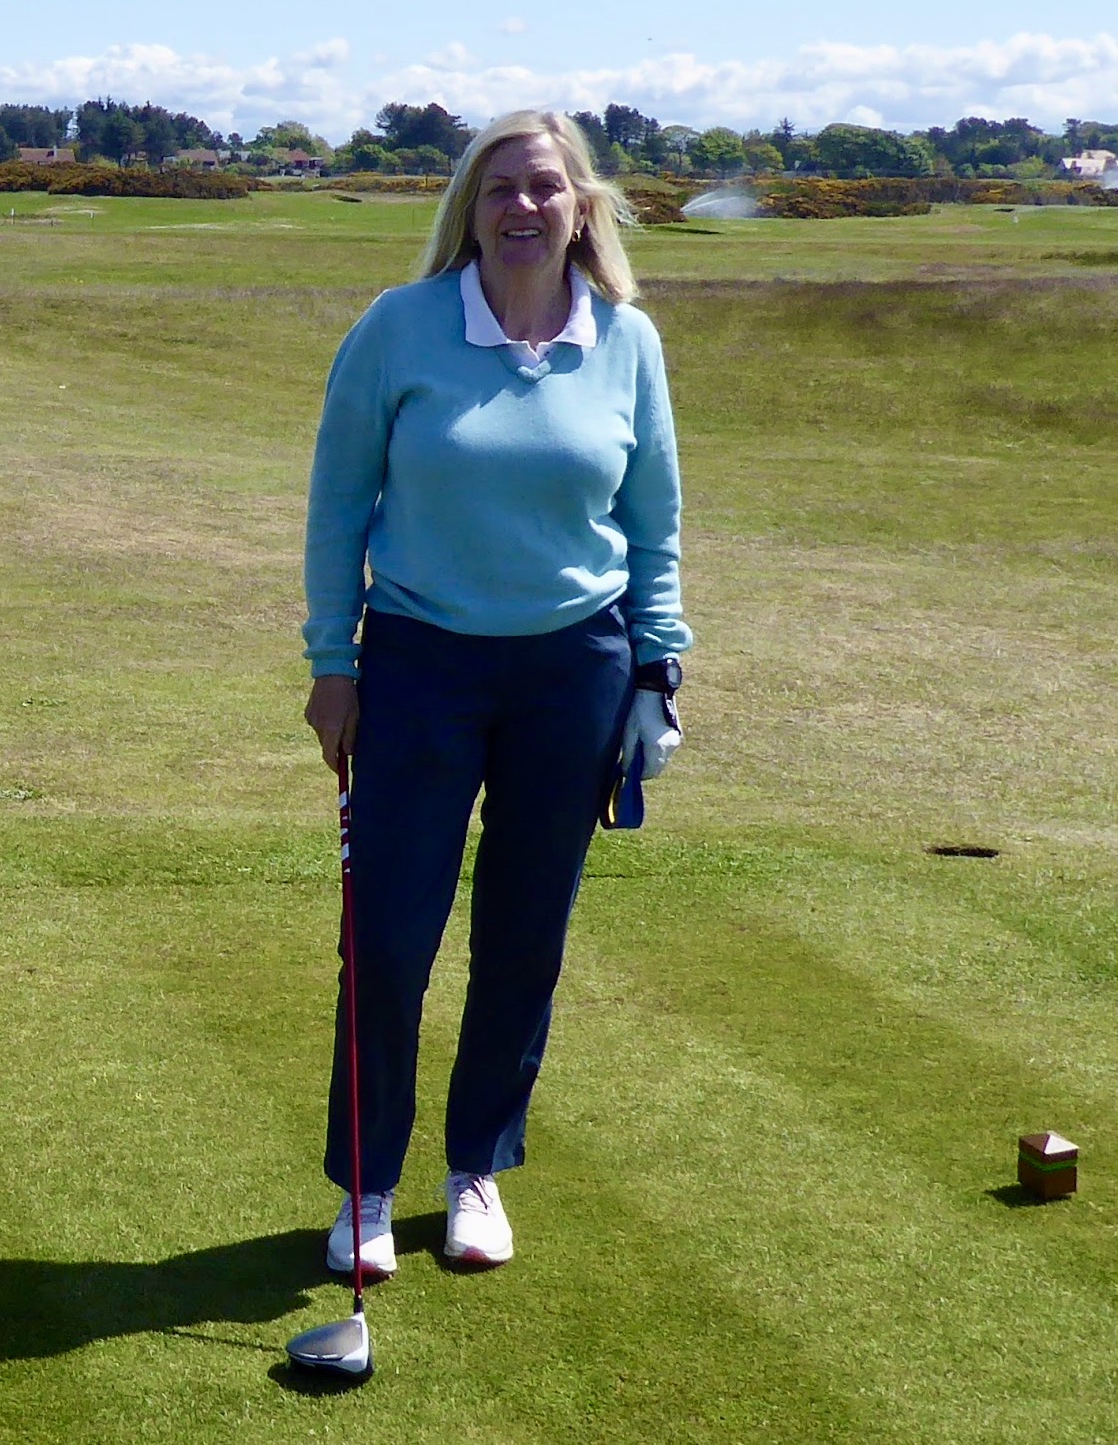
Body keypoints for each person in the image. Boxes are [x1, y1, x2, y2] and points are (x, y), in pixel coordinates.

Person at [301, 109, 691, 1276]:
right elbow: (337, 504)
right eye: (498, 191)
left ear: (584, 207)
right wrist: (333, 662)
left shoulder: (627, 340)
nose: (523, 209)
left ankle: (477, 1167)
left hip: (575, 665)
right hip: (420, 660)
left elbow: (652, 522)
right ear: (467, 210)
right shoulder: (399, 328)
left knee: (524, 936)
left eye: (545, 188)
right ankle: (367, 1187)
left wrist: (658, 666)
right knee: (387, 937)